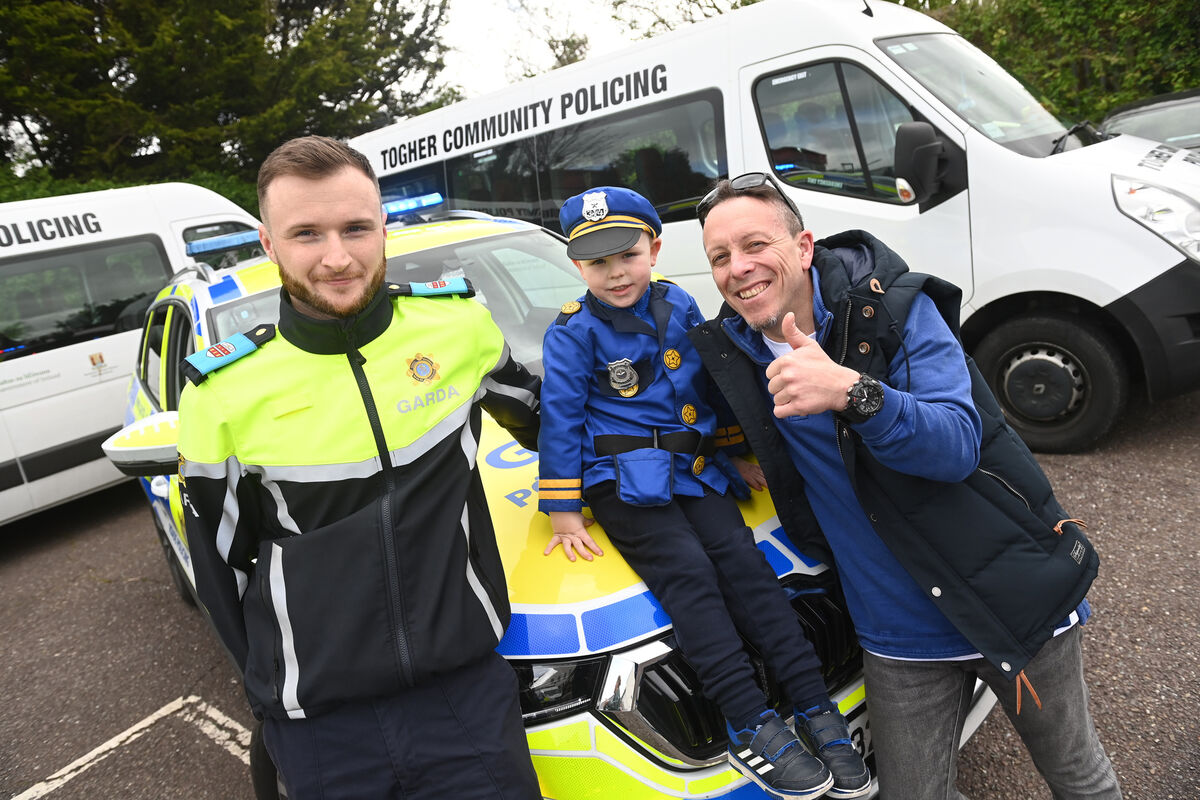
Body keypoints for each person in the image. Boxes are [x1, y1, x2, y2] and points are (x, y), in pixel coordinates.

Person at [690, 172, 1123, 799]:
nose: (739, 268)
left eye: (756, 244)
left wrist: (852, 393)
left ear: (804, 246)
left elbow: (954, 446)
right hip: (897, 631)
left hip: (1009, 595)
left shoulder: (895, 308)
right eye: (720, 257)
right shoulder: (730, 351)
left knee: (1079, 778)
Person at [176, 136, 542, 799]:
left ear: (382, 228)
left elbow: (554, 422)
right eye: (307, 234)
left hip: (465, 702)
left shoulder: (458, 325)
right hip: (322, 729)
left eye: (355, 229)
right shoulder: (220, 390)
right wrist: (272, 705)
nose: (337, 257)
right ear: (268, 244)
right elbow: (220, 571)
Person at [537, 186, 871, 800]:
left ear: (655, 248)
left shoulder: (679, 302)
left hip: (694, 471)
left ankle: (817, 710)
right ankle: (751, 720)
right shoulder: (573, 332)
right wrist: (562, 508)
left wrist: (734, 451)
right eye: (597, 262)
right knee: (690, 577)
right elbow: (559, 419)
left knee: (749, 571)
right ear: (577, 265)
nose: (615, 273)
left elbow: (709, 388)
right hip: (622, 483)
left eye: (627, 255)